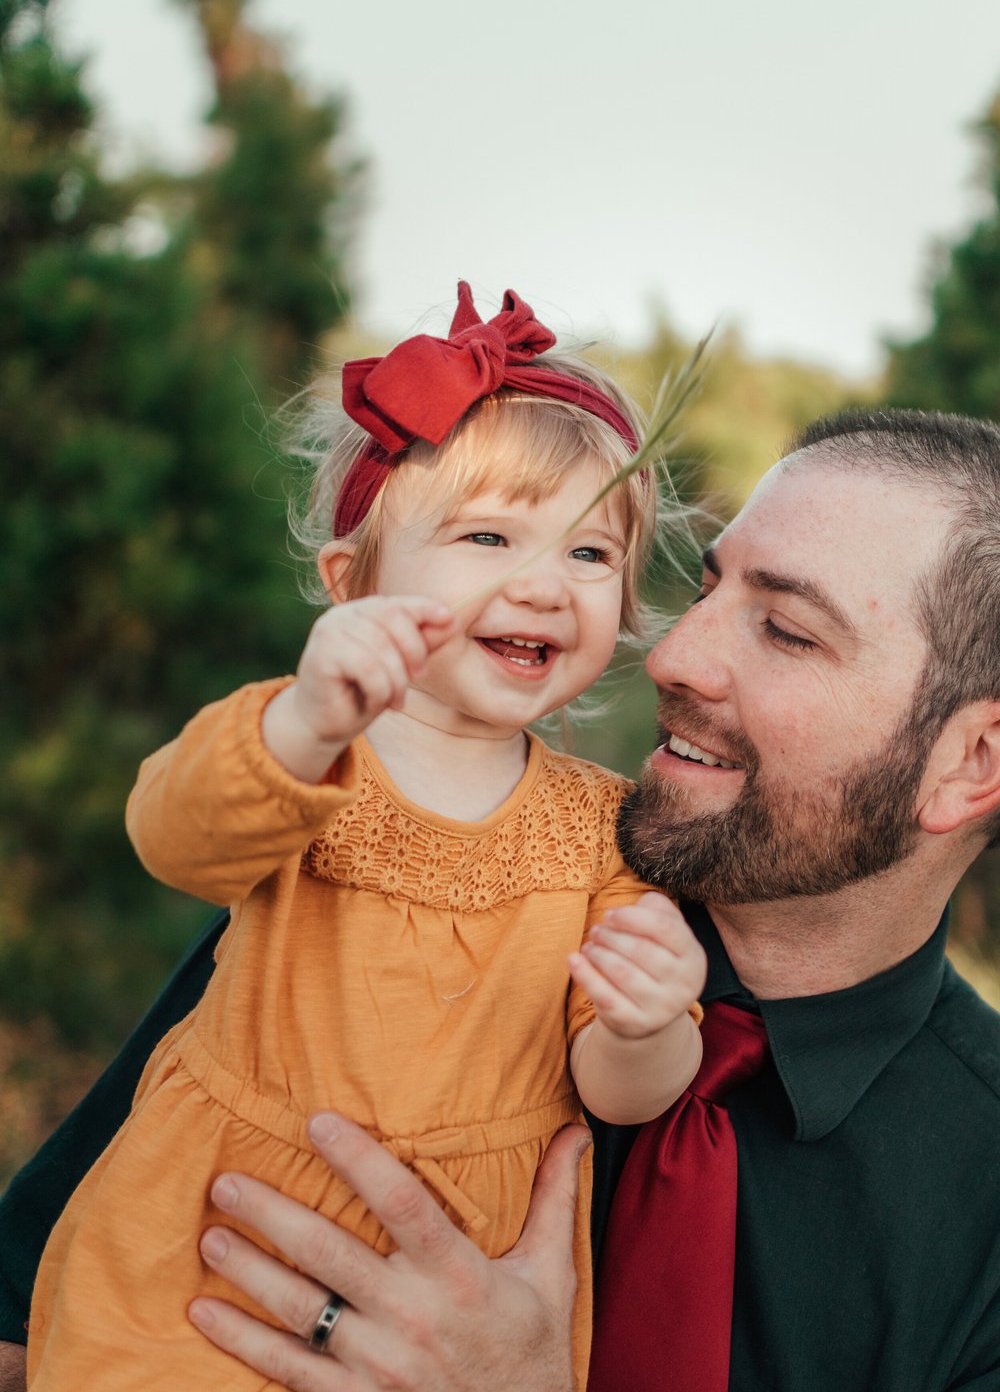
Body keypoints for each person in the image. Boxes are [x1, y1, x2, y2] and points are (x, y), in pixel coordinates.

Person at [5, 403, 1000, 1391]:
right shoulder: (350, 883)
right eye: (702, 590)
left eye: (785, 630)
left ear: (973, 762)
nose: (669, 656)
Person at [22, 282, 705, 1392]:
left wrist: (651, 1020)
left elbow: (615, 1088)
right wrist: (303, 717)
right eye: (488, 536)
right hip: (206, 1250)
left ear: (624, 604)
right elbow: (175, 839)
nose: (542, 585)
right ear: (353, 586)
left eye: (589, 555)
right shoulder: (306, 750)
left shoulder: (600, 830)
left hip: (458, 1294)